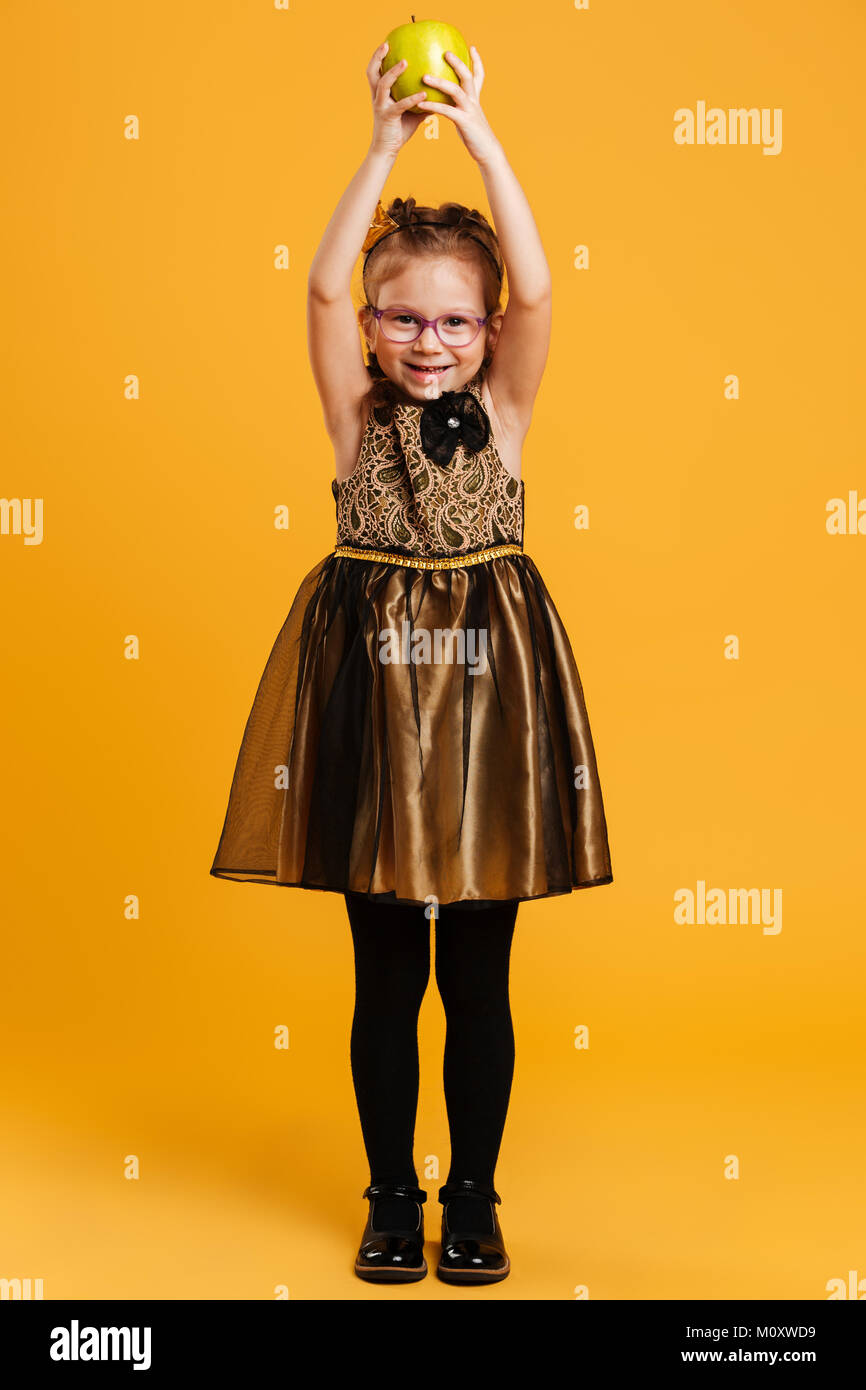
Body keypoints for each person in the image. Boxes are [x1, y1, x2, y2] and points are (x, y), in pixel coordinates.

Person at [210, 39, 613, 1287]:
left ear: (484, 333)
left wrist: (481, 136)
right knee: (385, 969)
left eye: (452, 320)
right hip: (377, 692)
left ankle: (475, 1201)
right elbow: (321, 293)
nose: (426, 340)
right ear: (378, 329)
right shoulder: (354, 414)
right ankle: (392, 1197)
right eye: (405, 317)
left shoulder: (503, 408)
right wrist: (386, 144)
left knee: (477, 975)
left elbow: (541, 294)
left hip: (492, 700)